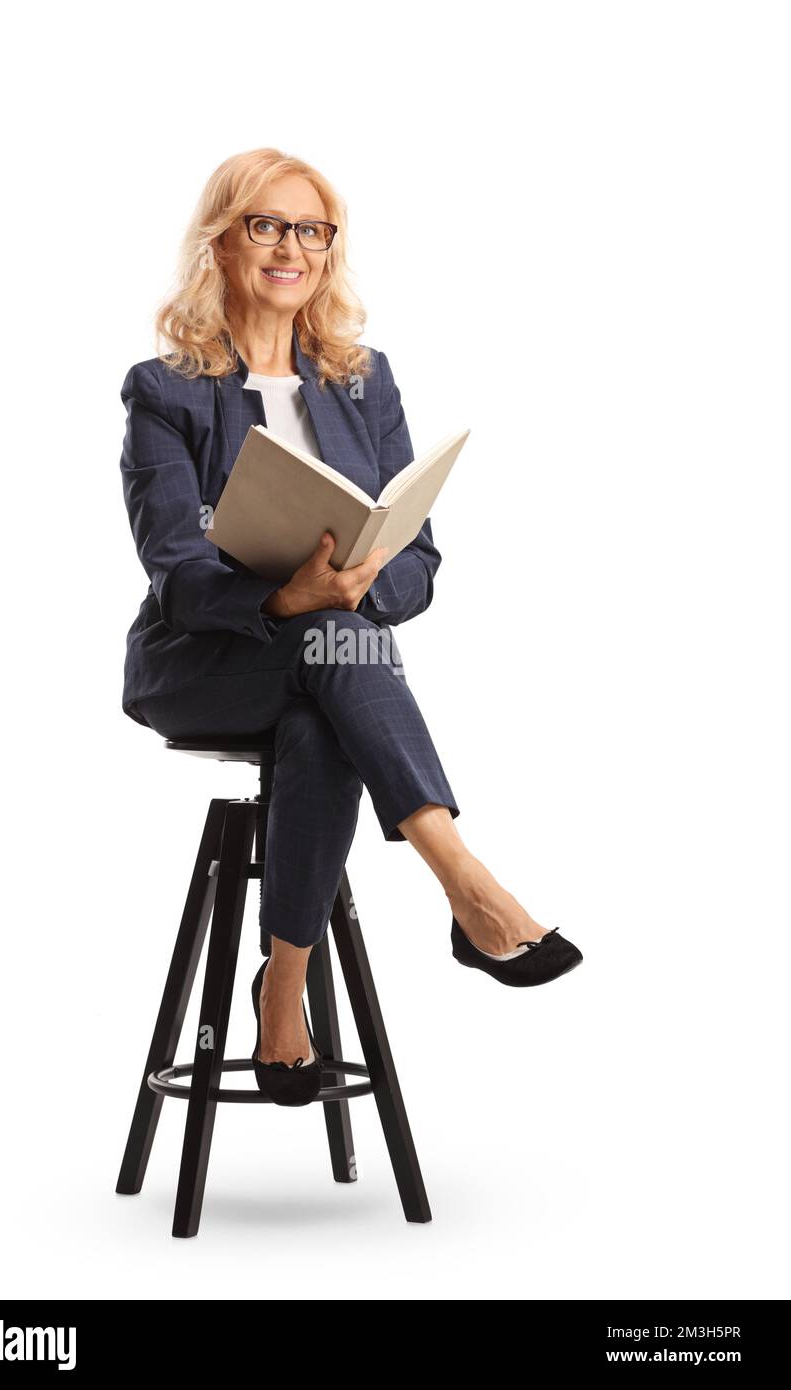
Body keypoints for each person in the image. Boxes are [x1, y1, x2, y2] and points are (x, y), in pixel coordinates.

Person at [119, 148, 583, 1105]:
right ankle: (465, 881)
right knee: (334, 652)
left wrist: (362, 587)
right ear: (221, 240)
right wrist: (282, 600)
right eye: (268, 225)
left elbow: (420, 561)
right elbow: (174, 569)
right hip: (202, 659)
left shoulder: (363, 382)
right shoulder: (163, 390)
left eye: (313, 230)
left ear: (331, 252)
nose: (293, 247)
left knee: (324, 711)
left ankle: (281, 993)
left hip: (330, 659)